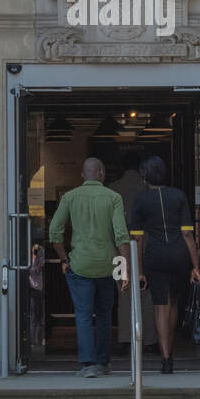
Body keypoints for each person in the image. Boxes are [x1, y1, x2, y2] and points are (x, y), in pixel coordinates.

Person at [49, 157, 130, 379]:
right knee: (105, 314)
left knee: (83, 314)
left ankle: (88, 364)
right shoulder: (114, 198)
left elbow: (54, 231)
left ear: (83, 175)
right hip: (107, 263)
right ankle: (104, 362)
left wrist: (64, 258)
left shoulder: (70, 197)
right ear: (102, 173)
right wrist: (125, 268)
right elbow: (121, 235)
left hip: (80, 263)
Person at [129, 155, 200, 374]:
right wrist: (196, 266)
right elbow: (188, 234)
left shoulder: (140, 200)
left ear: (144, 177)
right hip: (179, 255)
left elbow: (138, 239)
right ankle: (171, 351)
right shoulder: (179, 196)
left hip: (156, 255)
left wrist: (139, 271)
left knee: (161, 306)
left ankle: (166, 358)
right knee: (174, 303)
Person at [109, 149, 158, 351]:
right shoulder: (147, 189)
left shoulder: (113, 189)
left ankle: (126, 338)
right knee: (146, 291)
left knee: (123, 289)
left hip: (118, 244)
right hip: (146, 242)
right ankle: (149, 339)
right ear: (140, 168)